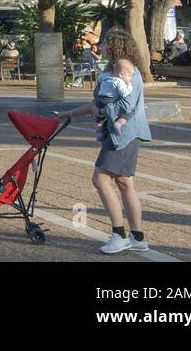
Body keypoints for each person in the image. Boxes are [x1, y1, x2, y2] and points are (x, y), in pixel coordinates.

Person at [58, 31, 152, 254]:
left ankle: (119, 235)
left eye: (105, 42)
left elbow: (126, 106)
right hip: (123, 133)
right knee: (124, 183)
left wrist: (100, 110)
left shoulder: (125, 67)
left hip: (125, 133)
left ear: (116, 45)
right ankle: (137, 237)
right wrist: (71, 113)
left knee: (100, 179)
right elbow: (95, 102)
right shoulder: (114, 69)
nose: (101, 45)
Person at [95, 58, 136, 142]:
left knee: (101, 117)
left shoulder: (106, 77)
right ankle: (119, 122)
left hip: (99, 99)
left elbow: (99, 78)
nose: (130, 78)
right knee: (130, 111)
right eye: (129, 75)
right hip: (110, 100)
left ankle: (100, 127)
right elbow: (124, 93)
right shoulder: (119, 81)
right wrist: (129, 86)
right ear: (121, 74)